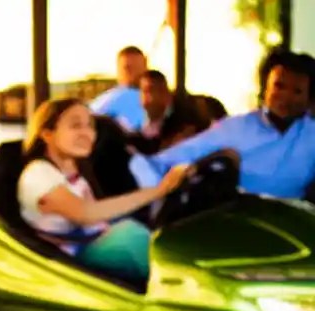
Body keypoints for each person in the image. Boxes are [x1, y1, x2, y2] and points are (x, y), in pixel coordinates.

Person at [18, 98, 191, 284]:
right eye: (76, 126)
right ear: (47, 134)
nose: (87, 133)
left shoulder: (77, 172)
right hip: (64, 265)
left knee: (145, 234)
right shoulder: (38, 173)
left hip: (85, 246)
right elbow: (86, 213)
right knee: (131, 239)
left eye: (90, 126)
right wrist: (159, 190)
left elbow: (97, 220)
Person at [129, 49, 315, 199]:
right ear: (265, 87)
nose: (285, 97)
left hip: (296, 228)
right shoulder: (235, 129)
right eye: (279, 86)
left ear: (309, 98)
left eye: (297, 91)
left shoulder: (311, 134)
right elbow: (163, 162)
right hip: (235, 224)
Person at [128, 70, 208, 154]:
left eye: (149, 91)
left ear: (165, 94)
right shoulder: (137, 131)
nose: (146, 98)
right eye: (143, 91)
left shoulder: (181, 128)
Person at [90, 46, 149, 132]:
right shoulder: (104, 103)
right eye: (127, 68)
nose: (134, 73)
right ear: (118, 70)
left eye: (138, 67)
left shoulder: (159, 101)